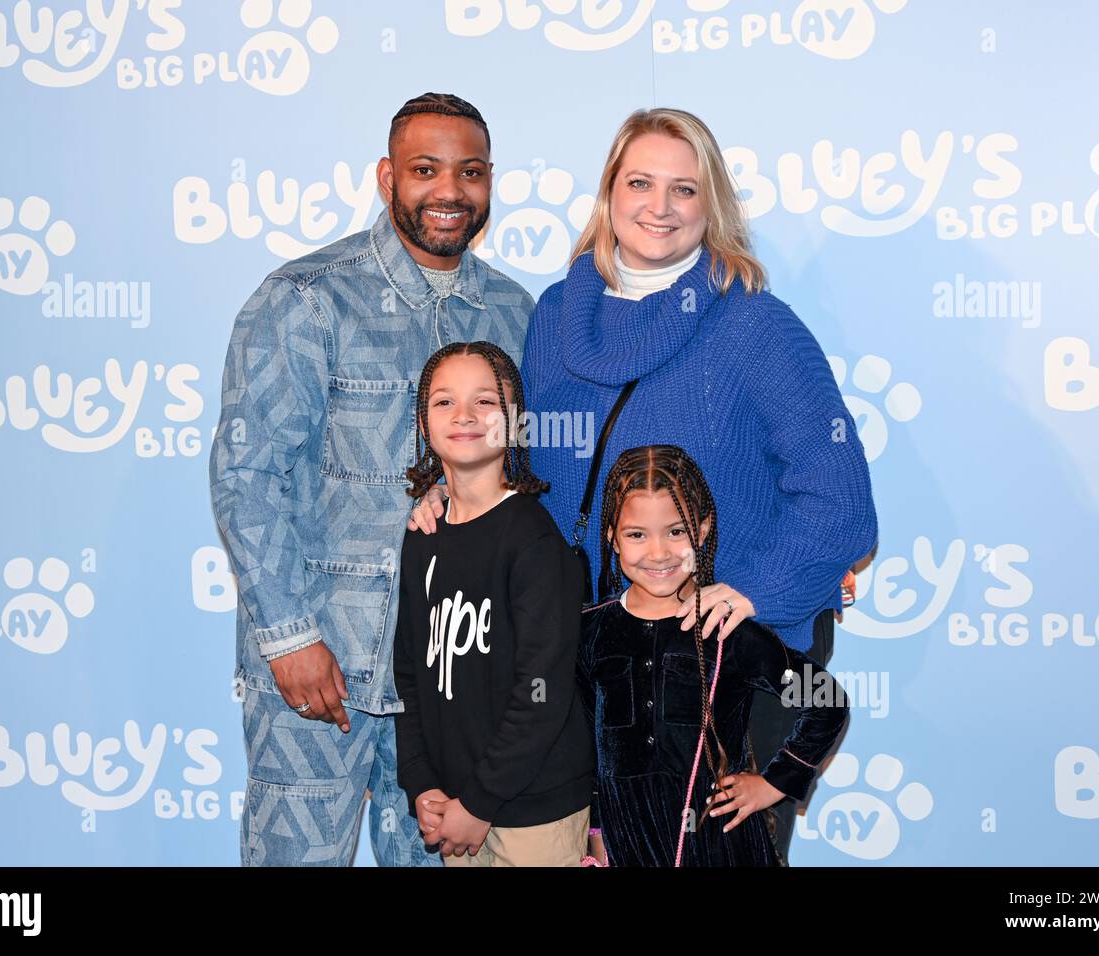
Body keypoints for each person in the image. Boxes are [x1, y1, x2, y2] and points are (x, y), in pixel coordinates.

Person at [408, 107, 876, 863]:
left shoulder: (756, 326)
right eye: (641, 183)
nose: (660, 207)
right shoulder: (558, 314)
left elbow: (842, 500)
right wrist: (451, 492)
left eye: (685, 189)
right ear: (608, 196)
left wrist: (752, 592)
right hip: (589, 663)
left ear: (712, 205)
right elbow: (525, 458)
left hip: (716, 672)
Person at [209, 92, 535, 866]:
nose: (449, 190)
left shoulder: (516, 313)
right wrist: (289, 636)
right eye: (426, 169)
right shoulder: (306, 299)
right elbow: (247, 474)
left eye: (470, 171)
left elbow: (525, 489)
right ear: (388, 175)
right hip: (323, 672)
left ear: (491, 182)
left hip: (457, 672)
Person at [578, 445, 849, 866]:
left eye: (676, 531)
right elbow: (583, 751)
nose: (658, 552)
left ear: (702, 531)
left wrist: (774, 783)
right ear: (611, 536)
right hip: (628, 848)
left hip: (723, 849)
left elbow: (826, 701)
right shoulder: (589, 631)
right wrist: (595, 834)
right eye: (636, 534)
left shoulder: (727, 628)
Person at [392, 341, 594, 866]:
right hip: (454, 804)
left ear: (516, 422)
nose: (464, 415)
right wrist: (422, 784)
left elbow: (542, 692)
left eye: (485, 402)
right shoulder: (422, 536)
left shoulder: (533, 541)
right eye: (444, 402)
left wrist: (481, 801)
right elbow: (411, 677)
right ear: (422, 422)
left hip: (534, 808)